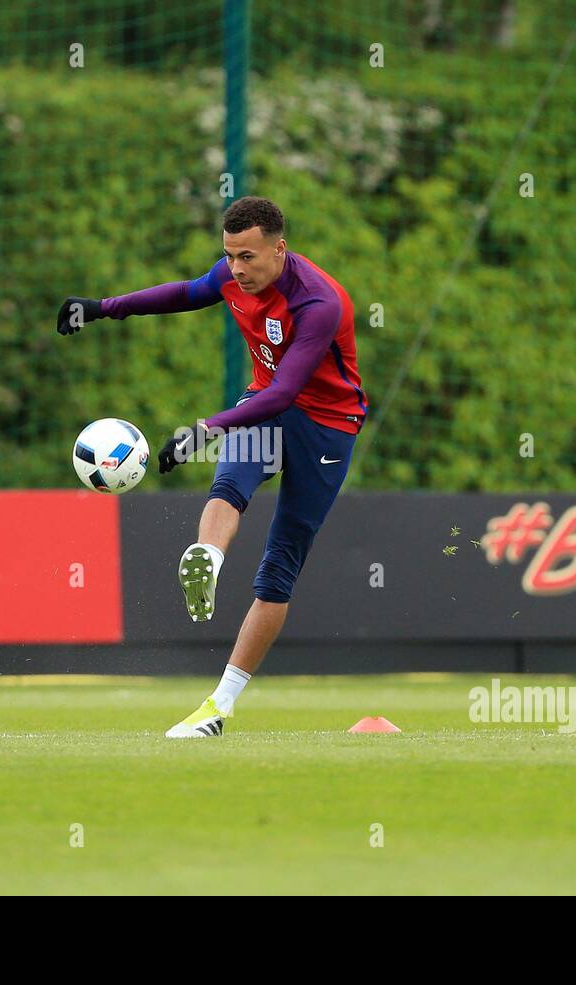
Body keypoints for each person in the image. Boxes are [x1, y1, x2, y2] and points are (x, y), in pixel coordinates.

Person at [57, 196, 367, 737]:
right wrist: (103, 307)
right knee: (229, 483)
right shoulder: (232, 275)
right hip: (264, 407)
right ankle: (209, 560)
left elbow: (287, 391)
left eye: (248, 257)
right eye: (230, 256)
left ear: (280, 248)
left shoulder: (319, 303)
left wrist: (205, 430)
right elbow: (182, 294)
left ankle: (219, 705)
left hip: (325, 428)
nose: (237, 269)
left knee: (279, 568)